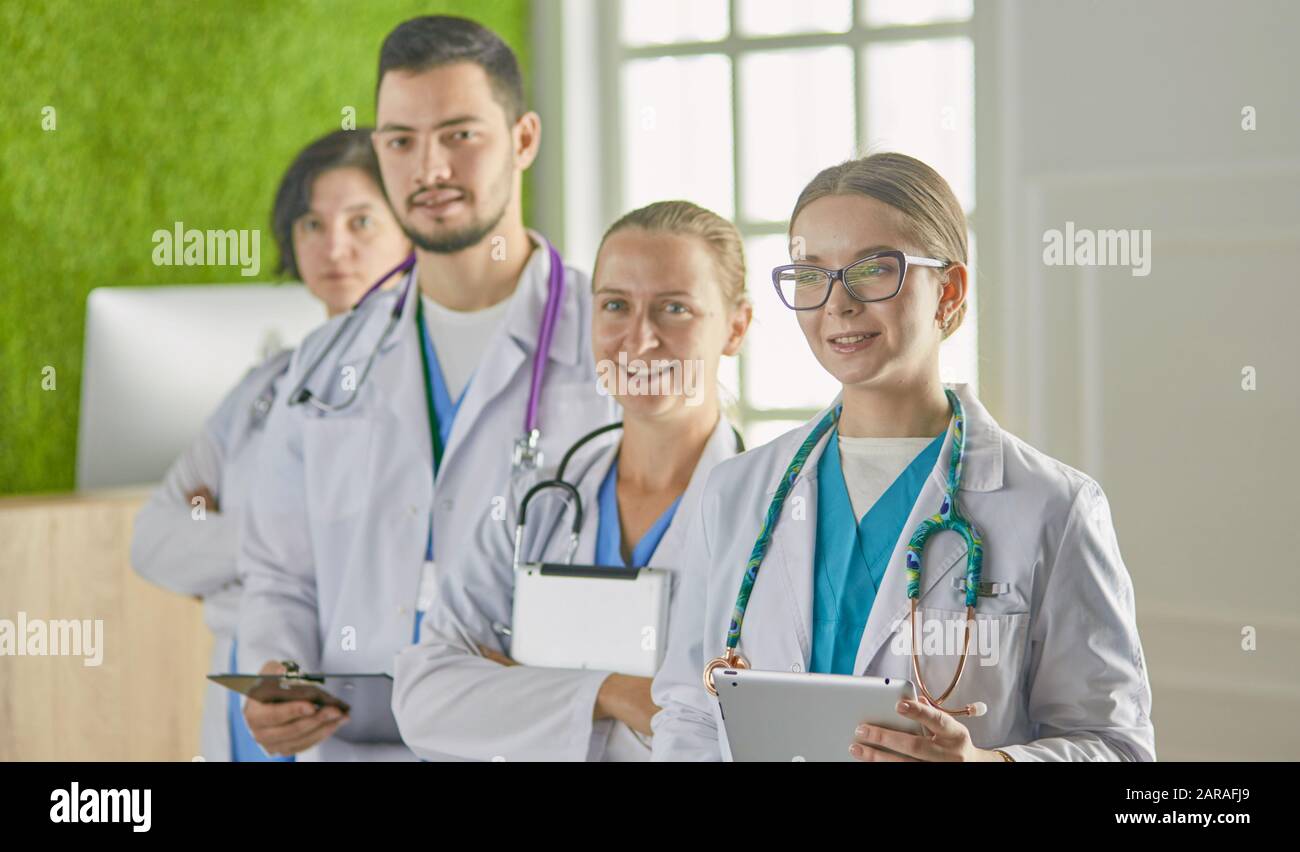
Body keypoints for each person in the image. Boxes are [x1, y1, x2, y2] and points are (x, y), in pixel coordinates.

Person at [651, 153, 1156, 762]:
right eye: (812, 274)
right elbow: (691, 714)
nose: (837, 303)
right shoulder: (736, 492)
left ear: (949, 290)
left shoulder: (1053, 506)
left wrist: (982, 764)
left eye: (873, 270)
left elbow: (1118, 747)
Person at [236, 15, 617, 760]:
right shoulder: (324, 366)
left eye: (460, 135)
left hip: (533, 746)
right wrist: (276, 672)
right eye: (401, 141)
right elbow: (278, 569)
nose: (429, 168)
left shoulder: (609, 345)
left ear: (525, 140)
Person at [392, 201, 752, 761]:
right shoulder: (538, 502)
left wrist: (520, 690)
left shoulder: (770, 515)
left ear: (736, 326)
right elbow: (424, 700)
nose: (639, 338)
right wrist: (611, 693)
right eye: (615, 305)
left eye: (674, 308)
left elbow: (744, 728)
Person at [130, 128, 411, 762]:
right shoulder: (267, 384)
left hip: (341, 699)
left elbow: (380, 556)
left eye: (361, 220)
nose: (334, 246)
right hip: (241, 681)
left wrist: (238, 540)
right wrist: (290, 543)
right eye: (311, 223)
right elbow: (153, 540)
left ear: (408, 231)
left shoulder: (422, 388)